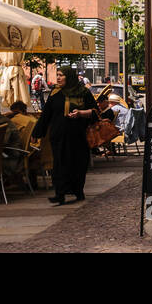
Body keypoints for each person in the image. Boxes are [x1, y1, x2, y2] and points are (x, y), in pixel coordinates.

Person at [31, 67, 96, 205]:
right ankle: (60, 193)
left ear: (69, 77)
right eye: (58, 75)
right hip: (58, 136)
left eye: (61, 75)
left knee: (77, 164)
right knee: (59, 164)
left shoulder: (83, 92)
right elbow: (46, 115)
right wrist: (36, 133)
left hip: (78, 136)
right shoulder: (55, 93)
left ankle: (78, 191)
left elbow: (96, 112)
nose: (58, 78)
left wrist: (81, 113)